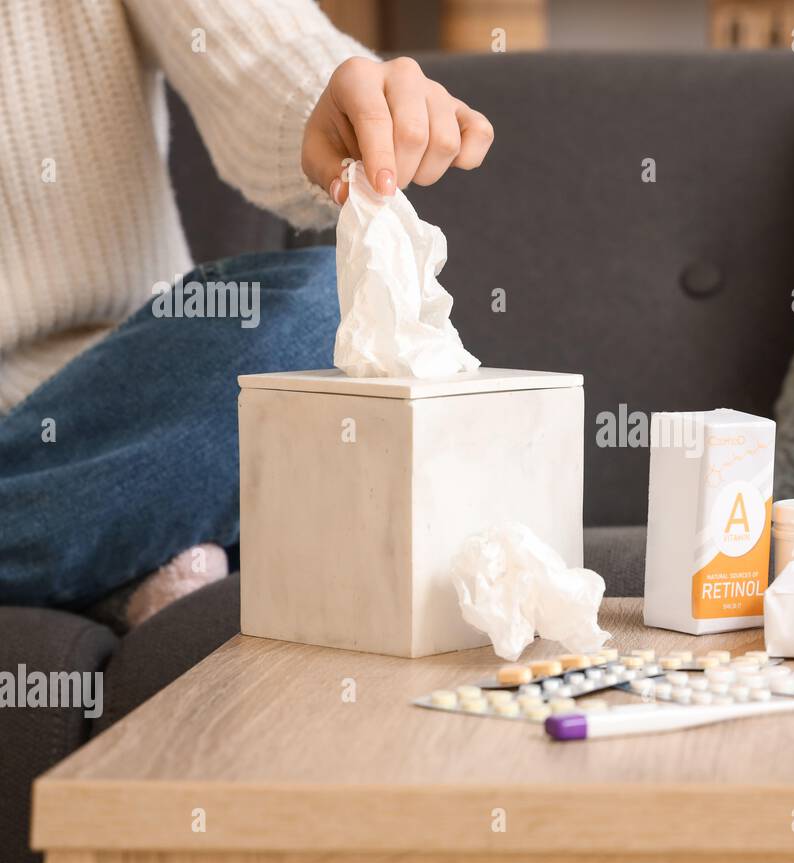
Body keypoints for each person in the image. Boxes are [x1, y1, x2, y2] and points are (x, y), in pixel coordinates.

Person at [0, 0, 493, 626]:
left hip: (119, 406)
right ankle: (117, 557)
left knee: (323, 314)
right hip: (134, 462)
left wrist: (341, 107)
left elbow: (261, 50)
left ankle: (89, 549)